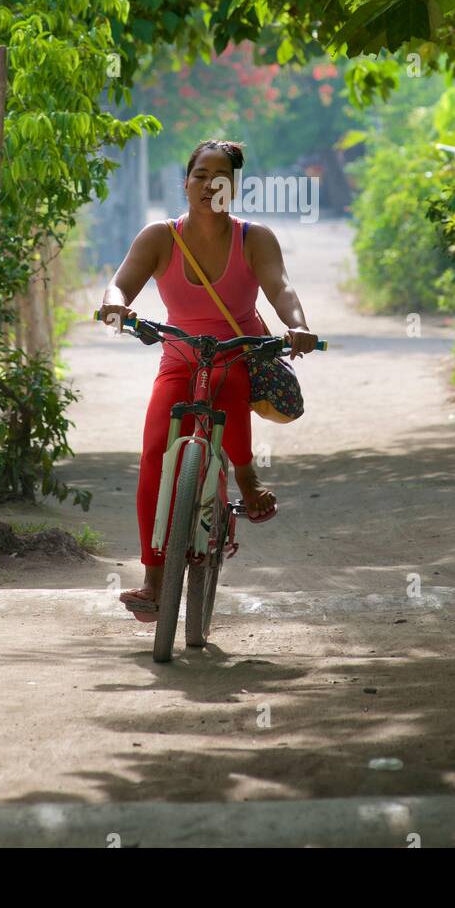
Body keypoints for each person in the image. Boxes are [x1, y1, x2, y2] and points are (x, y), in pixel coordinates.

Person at [99, 139, 318, 621]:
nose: (208, 185)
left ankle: (246, 476)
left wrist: (297, 324)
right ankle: (154, 580)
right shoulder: (160, 237)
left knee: (233, 385)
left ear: (234, 187)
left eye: (220, 177)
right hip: (178, 358)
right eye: (200, 175)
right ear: (186, 181)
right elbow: (122, 280)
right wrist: (116, 302)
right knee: (155, 454)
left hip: (238, 352)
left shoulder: (253, 238)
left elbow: (280, 286)